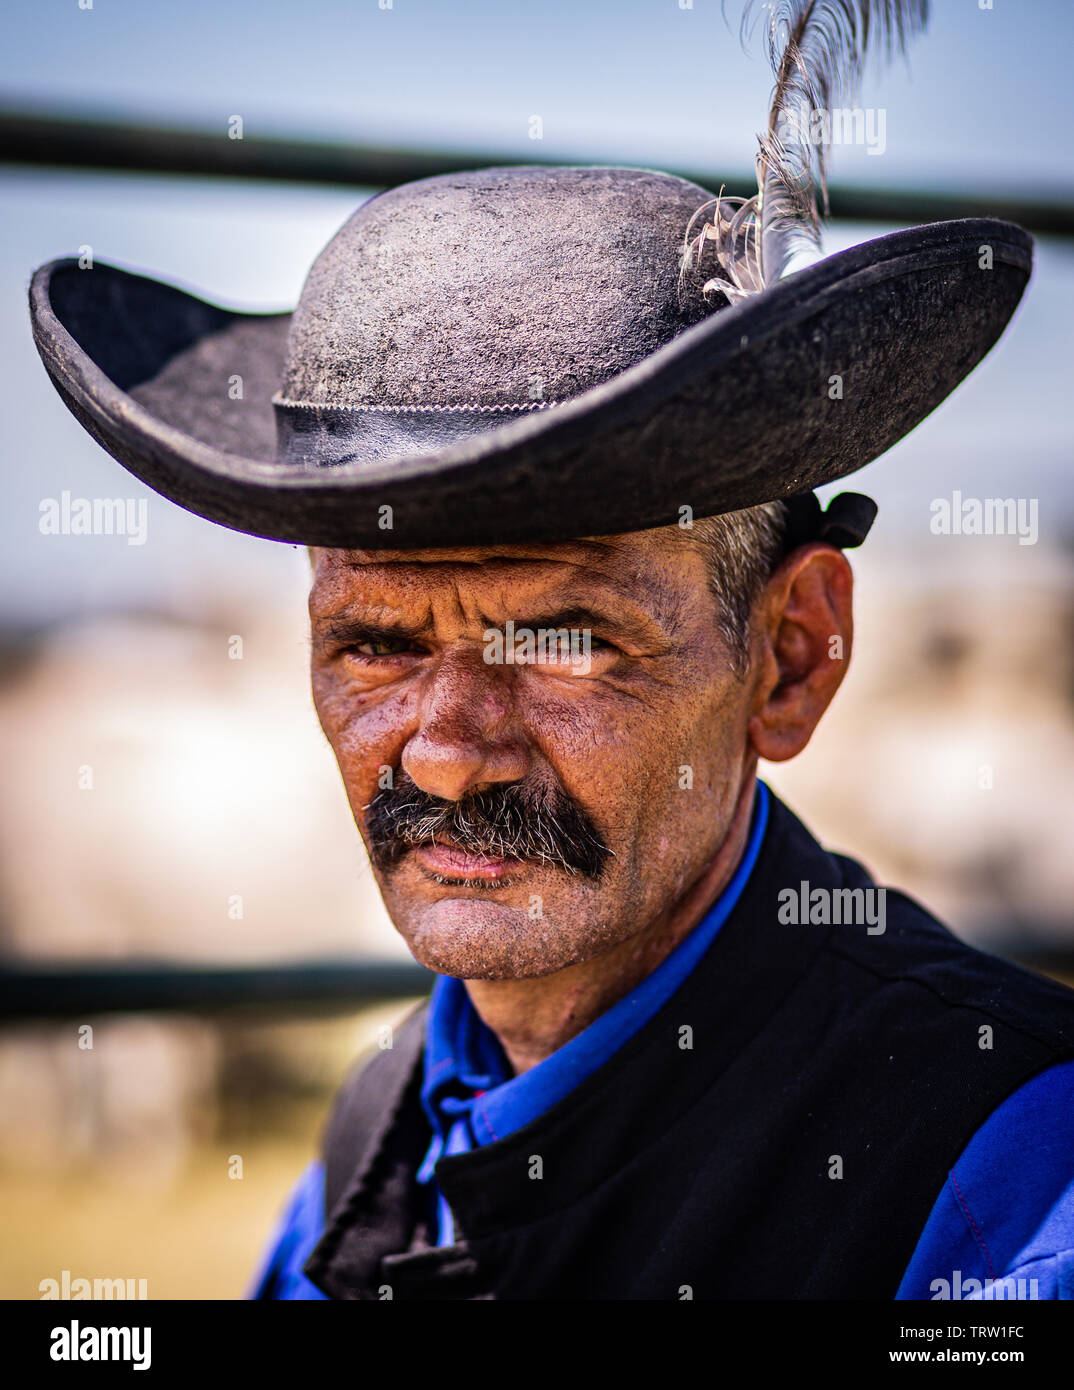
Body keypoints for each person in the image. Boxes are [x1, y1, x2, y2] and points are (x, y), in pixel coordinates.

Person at [28, 1, 1074, 1301]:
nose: (449, 751)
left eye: (563, 643)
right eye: (371, 643)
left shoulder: (1010, 1178)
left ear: (789, 658)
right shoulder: (379, 1128)